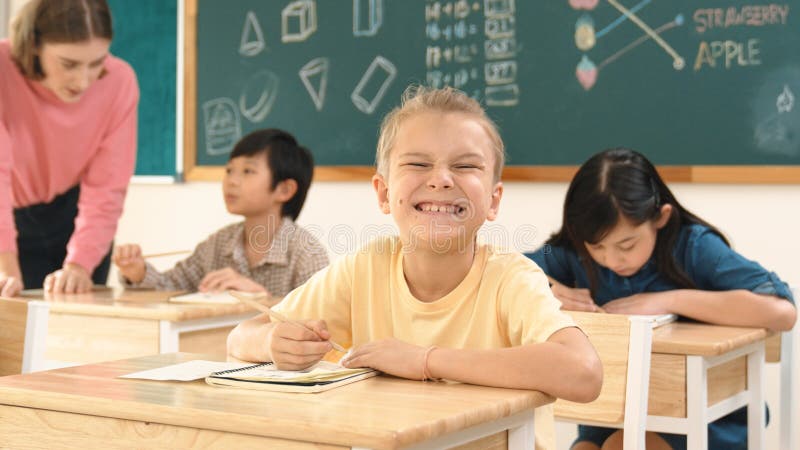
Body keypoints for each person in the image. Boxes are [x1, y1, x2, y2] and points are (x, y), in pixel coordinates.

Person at [227, 86, 602, 450]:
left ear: (493, 200)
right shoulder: (364, 268)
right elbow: (241, 337)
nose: (441, 178)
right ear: (383, 193)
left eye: (466, 165)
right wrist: (272, 343)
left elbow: (583, 373)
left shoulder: (511, 279)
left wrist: (425, 360)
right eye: (419, 164)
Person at [526, 148, 797, 450]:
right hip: (618, 413)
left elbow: (781, 311)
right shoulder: (575, 252)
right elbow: (509, 269)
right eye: (597, 246)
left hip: (710, 415)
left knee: (621, 446)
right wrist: (548, 290)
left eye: (627, 244)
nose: (611, 259)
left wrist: (668, 300)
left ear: (660, 217)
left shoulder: (694, 246)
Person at [0, 0, 139, 296]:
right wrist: (5, 266)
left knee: (78, 326)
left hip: (76, 216)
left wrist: (80, 264)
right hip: (9, 219)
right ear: (34, 44)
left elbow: (107, 187)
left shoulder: (119, 81)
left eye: (96, 62)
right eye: (69, 64)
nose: (84, 80)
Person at [113, 128, 329, 297]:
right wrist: (137, 271)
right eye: (229, 170)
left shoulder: (307, 254)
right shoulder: (218, 244)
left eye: (248, 171)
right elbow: (170, 289)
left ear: (284, 189)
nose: (231, 181)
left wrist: (262, 299)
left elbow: (322, 325)